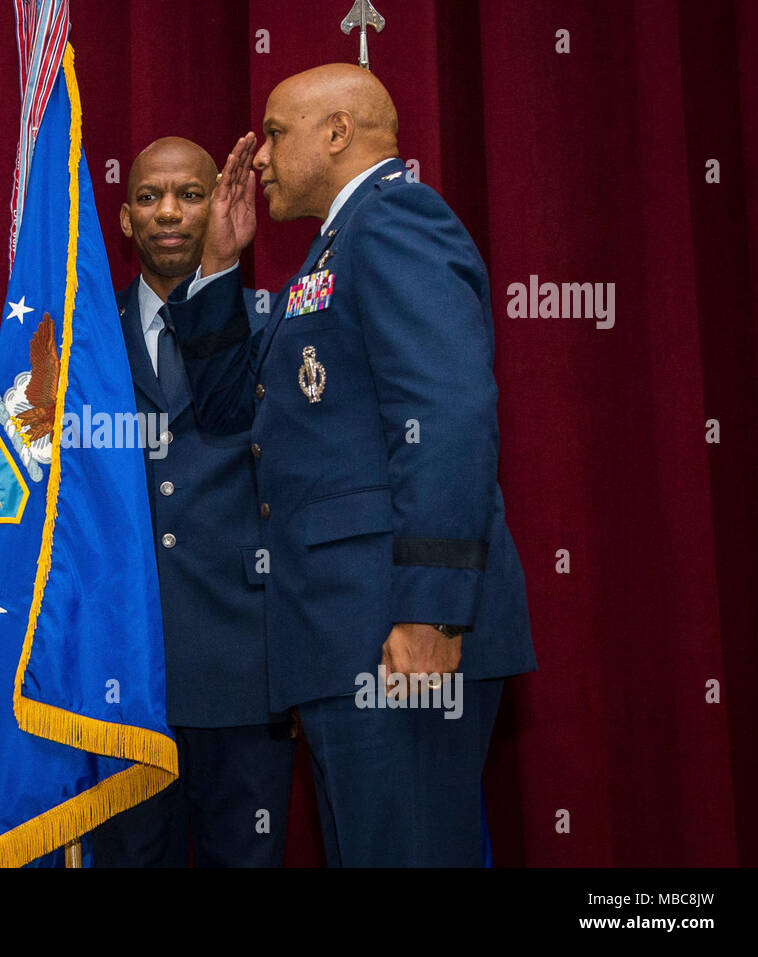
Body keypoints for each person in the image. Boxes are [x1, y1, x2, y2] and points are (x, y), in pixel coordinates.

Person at [165, 64, 536, 866]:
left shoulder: (396, 220)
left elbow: (447, 416)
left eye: (273, 133)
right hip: (345, 639)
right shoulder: (332, 248)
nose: (257, 158)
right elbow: (237, 414)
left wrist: (432, 613)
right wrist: (222, 268)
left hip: (399, 632)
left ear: (337, 133)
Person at [88, 137, 295, 867]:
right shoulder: (80, 341)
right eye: (149, 197)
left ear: (223, 203)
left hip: (245, 671)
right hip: (120, 678)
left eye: (191, 194)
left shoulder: (275, 323)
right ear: (122, 217)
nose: (169, 212)